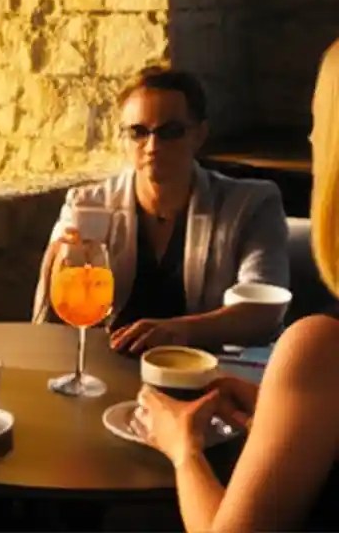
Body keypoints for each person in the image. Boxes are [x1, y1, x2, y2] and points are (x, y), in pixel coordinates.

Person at [133, 39, 339, 531]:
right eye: (138, 131)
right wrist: (279, 408)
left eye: (319, 122)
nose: (311, 139)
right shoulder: (94, 204)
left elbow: (264, 304)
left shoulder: (323, 349)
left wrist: (182, 448)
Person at [32, 66, 289, 354]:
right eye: (138, 132)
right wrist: (58, 259)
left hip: (206, 368)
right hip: (109, 363)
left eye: (171, 132)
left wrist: (181, 330)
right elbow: (51, 312)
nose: (152, 146)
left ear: (199, 135)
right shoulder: (87, 204)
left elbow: (264, 312)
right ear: (122, 138)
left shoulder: (250, 205)